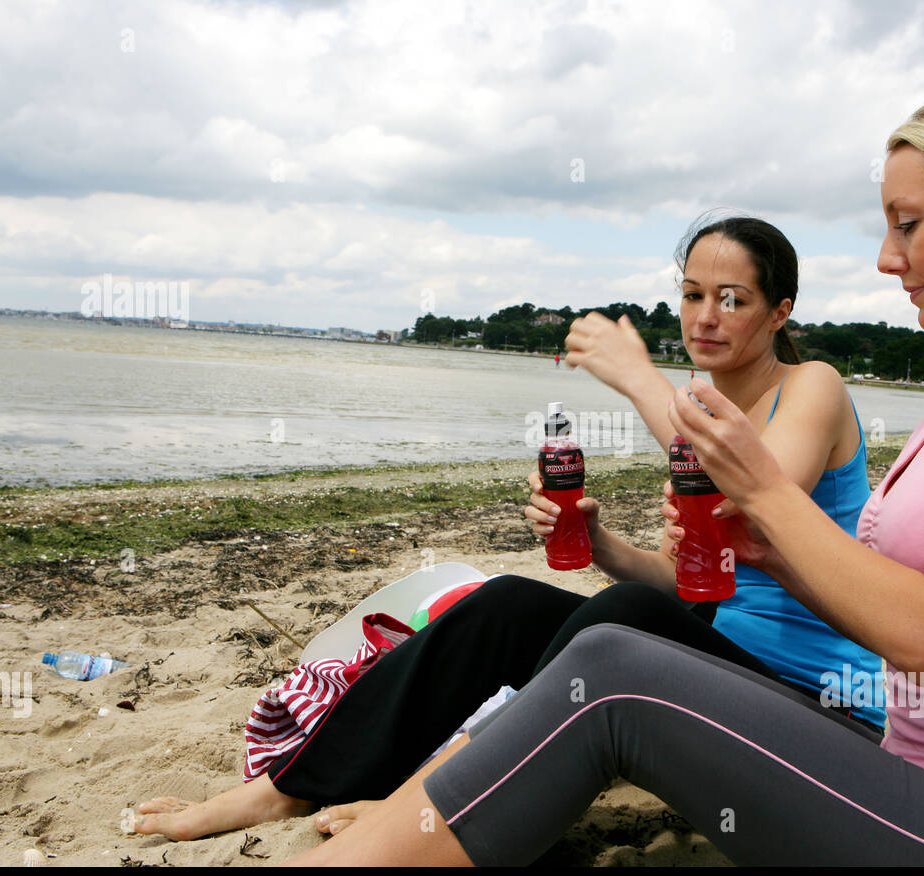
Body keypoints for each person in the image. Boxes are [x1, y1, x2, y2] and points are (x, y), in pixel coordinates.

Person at [282, 84, 924, 866]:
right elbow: (887, 598)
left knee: (618, 668)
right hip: (915, 780)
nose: (885, 257)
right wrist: (774, 548)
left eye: (909, 224)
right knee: (601, 648)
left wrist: (762, 493)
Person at [131, 215, 884, 842]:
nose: (706, 317)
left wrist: (636, 377)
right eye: (692, 295)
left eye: (733, 298)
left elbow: (756, 495)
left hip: (810, 701)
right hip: (717, 659)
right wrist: (602, 548)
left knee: (621, 622)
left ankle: (420, 803)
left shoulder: (811, 386)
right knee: (502, 605)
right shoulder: (705, 406)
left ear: (780, 312)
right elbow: (685, 585)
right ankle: (289, 789)